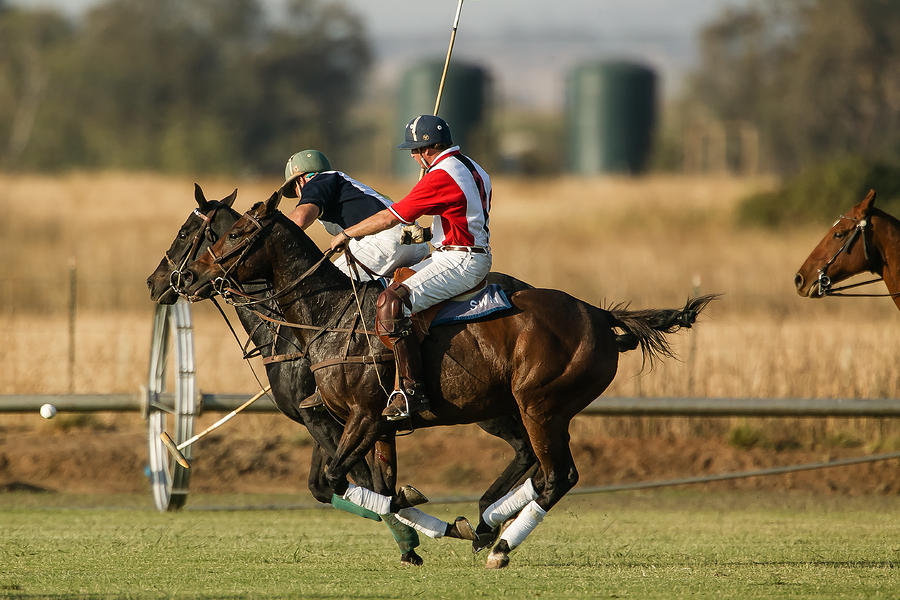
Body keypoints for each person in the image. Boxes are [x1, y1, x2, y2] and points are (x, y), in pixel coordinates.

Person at [329, 115, 492, 420]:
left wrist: (347, 234)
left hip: (460, 260)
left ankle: (412, 392)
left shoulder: (442, 174)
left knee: (392, 302)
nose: (415, 158)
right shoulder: (474, 167)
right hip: (462, 250)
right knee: (395, 282)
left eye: (415, 151)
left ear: (429, 148)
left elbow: (391, 217)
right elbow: (466, 217)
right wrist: (428, 234)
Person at [282, 149, 429, 281]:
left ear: (300, 180)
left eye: (294, 188)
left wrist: (267, 232)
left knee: (326, 284)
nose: (297, 195)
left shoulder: (317, 181)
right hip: (415, 244)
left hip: (386, 241)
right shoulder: (350, 186)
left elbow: (299, 220)